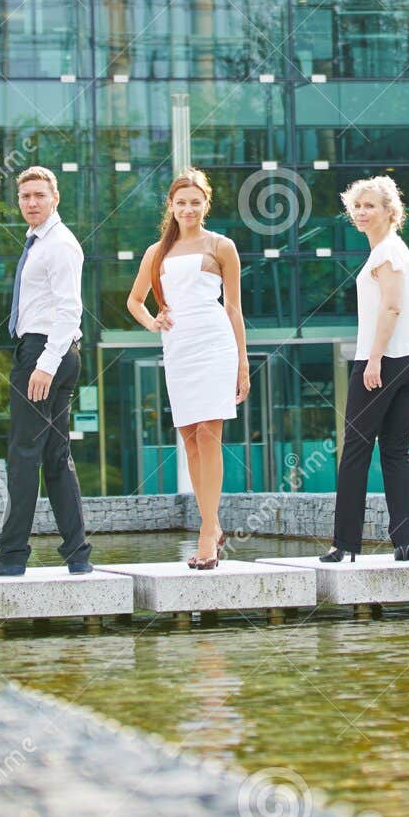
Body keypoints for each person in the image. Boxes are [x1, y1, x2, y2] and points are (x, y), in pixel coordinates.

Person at [127, 169, 248, 570]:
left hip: (215, 344)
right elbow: (135, 301)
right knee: (190, 440)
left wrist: (242, 362)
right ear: (171, 206)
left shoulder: (222, 246)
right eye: (181, 202)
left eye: (195, 202)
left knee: (210, 435)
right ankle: (212, 526)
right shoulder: (155, 253)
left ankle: (206, 531)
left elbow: (233, 308)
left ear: (205, 204)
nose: (188, 208)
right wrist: (152, 323)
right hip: (178, 349)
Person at [0, 167, 92, 576]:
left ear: (56, 198)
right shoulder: (39, 243)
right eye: (25, 196)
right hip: (49, 350)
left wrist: (44, 365)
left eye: (39, 195)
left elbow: (70, 310)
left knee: (22, 454)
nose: (31, 203)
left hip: (45, 351)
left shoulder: (59, 245)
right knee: (54, 455)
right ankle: (77, 555)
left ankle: (12, 556)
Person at [320, 177, 409, 563]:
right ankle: (404, 541)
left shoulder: (387, 254)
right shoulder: (393, 250)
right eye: (358, 206)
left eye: (370, 206)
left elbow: (392, 307)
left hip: (384, 360)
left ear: (389, 211)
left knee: (356, 453)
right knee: (396, 452)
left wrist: (375, 359)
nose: (362, 212)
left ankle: (345, 544)